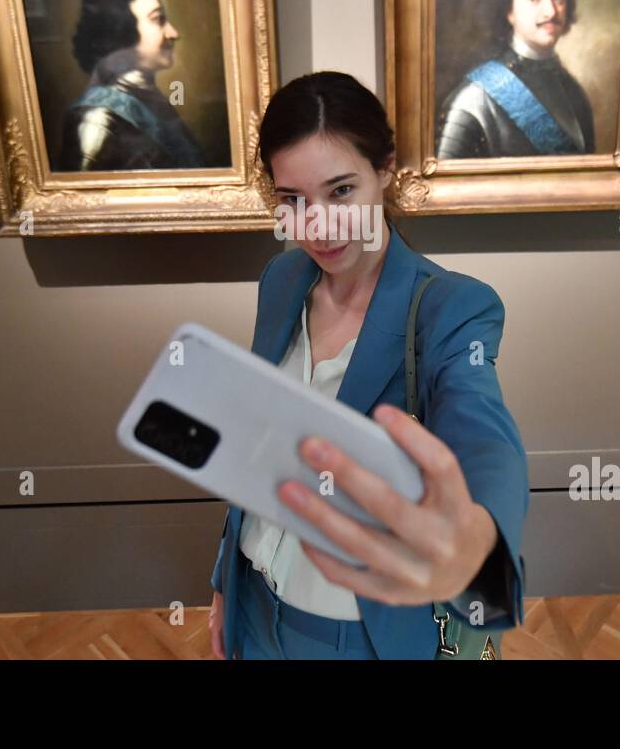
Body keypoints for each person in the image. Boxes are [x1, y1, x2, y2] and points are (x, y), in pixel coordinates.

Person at [208, 70, 529, 659]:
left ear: (385, 170)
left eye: (340, 192)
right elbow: (259, 443)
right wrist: (225, 581)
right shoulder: (282, 281)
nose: (318, 226)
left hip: (355, 631)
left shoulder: (451, 307)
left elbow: (483, 429)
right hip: (254, 601)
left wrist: (476, 545)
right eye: (293, 201)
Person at [435, 0, 595, 158]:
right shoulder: (473, 99)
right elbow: (445, 186)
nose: (551, 11)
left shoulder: (574, 93)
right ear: (509, 10)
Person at [56, 0, 212, 171]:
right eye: (157, 19)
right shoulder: (96, 119)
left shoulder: (149, 98)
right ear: (120, 28)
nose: (173, 33)